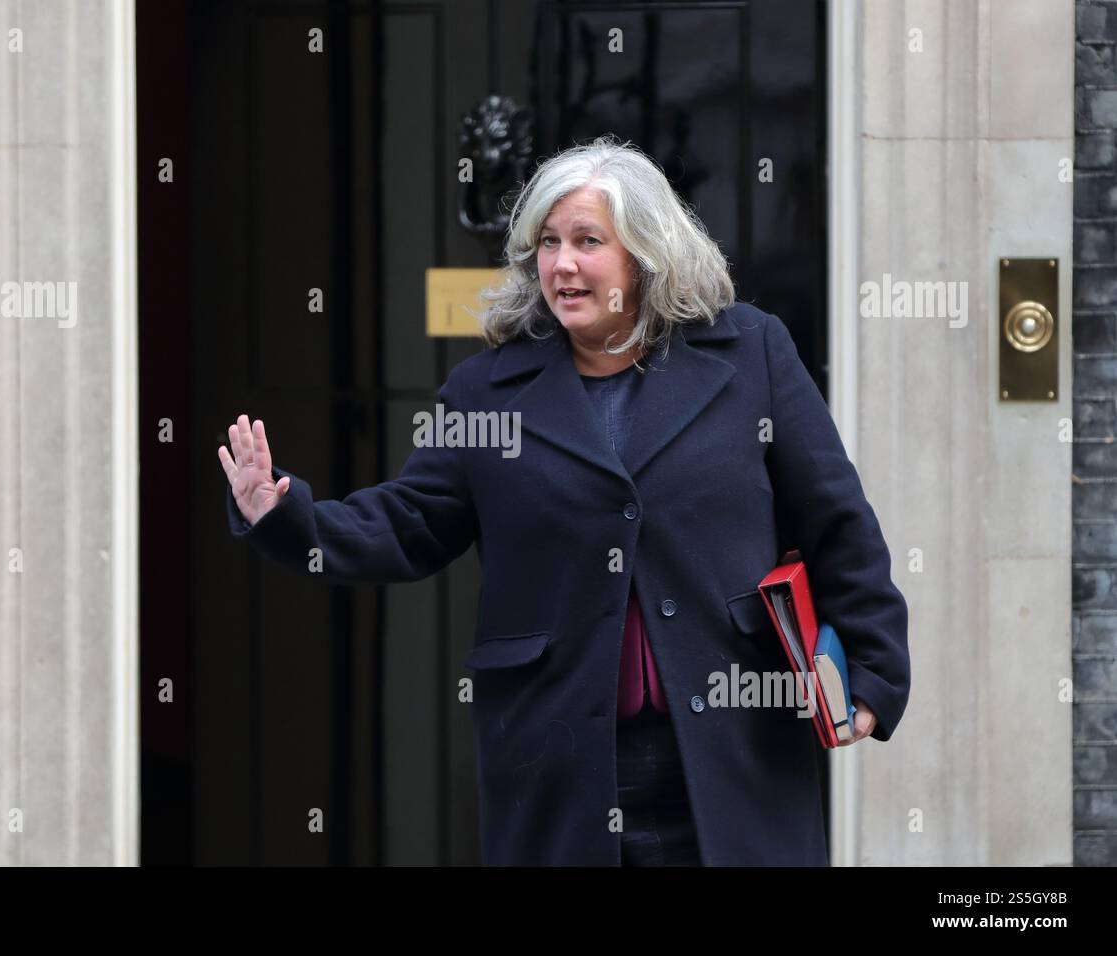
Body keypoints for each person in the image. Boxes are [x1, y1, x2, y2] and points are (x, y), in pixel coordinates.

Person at [218, 135, 910, 866]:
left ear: (644, 254)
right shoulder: (487, 392)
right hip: (560, 761)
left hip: (732, 746)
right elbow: (409, 523)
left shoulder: (750, 354)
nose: (562, 263)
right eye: (548, 242)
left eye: (586, 240)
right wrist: (284, 514)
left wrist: (874, 666)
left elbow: (835, 518)